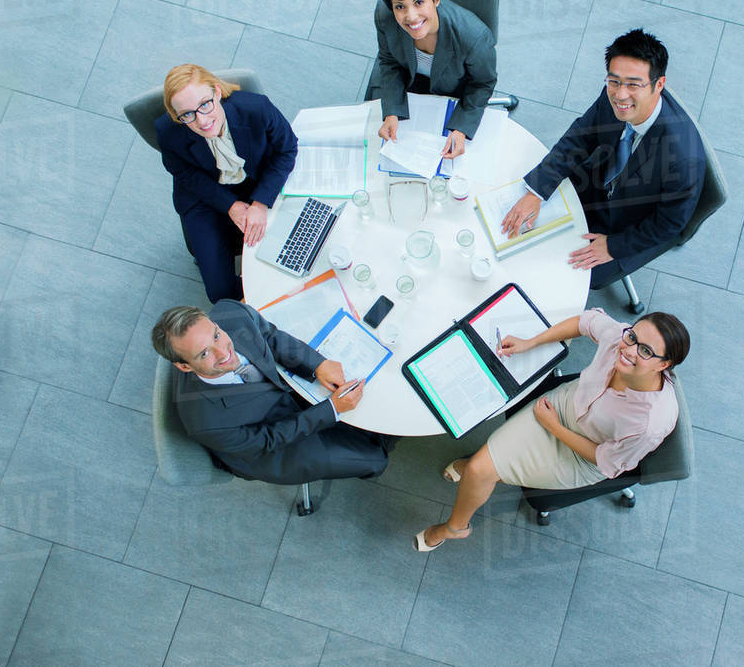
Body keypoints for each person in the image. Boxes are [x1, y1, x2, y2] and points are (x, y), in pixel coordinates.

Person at [413, 307, 689, 551]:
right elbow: (586, 321)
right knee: (481, 467)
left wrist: (553, 427)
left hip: (581, 456)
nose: (629, 350)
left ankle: (455, 527)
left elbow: (607, 462)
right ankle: (474, 470)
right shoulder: (621, 338)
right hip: (565, 406)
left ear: (664, 364)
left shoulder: (648, 423)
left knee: (480, 470)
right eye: (633, 338)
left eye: (645, 351)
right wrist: (530, 342)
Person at [501, 29, 705, 289]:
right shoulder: (612, 98)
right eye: (614, 81)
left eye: (633, 84)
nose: (620, 95)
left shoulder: (684, 159)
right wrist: (537, 191)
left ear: (659, 84)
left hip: (629, 226)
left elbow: (669, 225)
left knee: (567, 276)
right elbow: (580, 136)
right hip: (598, 185)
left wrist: (613, 246)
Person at [151, 301, 395, 485]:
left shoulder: (230, 313)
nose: (224, 352)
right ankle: (382, 439)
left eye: (216, 335)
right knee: (374, 458)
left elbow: (269, 336)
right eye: (204, 353)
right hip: (270, 451)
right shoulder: (206, 422)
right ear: (184, 366)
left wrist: (316, 364)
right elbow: (269, 440)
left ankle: (367, 428)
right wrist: (330, 410)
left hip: (279, 392)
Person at [155, 64, 298, 303]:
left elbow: (287, 148)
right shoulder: (168, 131)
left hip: (257, 181)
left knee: (287, 252)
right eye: (187, 114)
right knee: (220, 293)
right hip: (206, 195)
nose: (201, 121)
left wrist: (260, 203)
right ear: (176, 116)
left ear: (218, 92)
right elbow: (183, 173)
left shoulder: (256, 108)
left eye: (205, 104)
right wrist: (231, 206)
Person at [368, 0, 498, 159]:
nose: (410, 16)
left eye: (418, 2)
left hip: (454, 88)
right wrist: (392, 111)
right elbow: (389, 60)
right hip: (408, 80)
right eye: (400, 7)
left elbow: (483, 83)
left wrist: (461, 127)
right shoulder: (385, 15)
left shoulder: (474, 36)